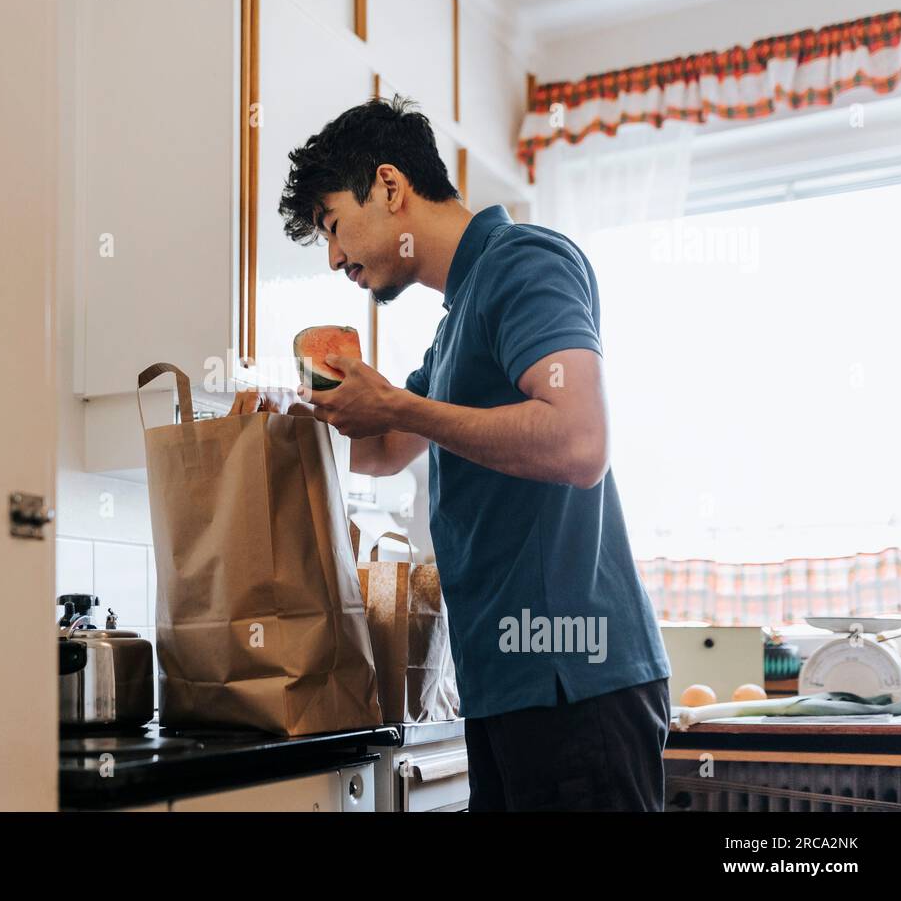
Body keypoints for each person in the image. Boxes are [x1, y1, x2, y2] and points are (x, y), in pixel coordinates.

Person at [278, 95, 671, 811]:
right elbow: (387, 448)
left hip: (571, 681)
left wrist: (397, 403)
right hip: (505, 686)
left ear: (391, 187)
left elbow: (582, 443)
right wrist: (289, 416)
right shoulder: (457, 321)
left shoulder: (525, 262)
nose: (334, 257)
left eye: (334, 226)